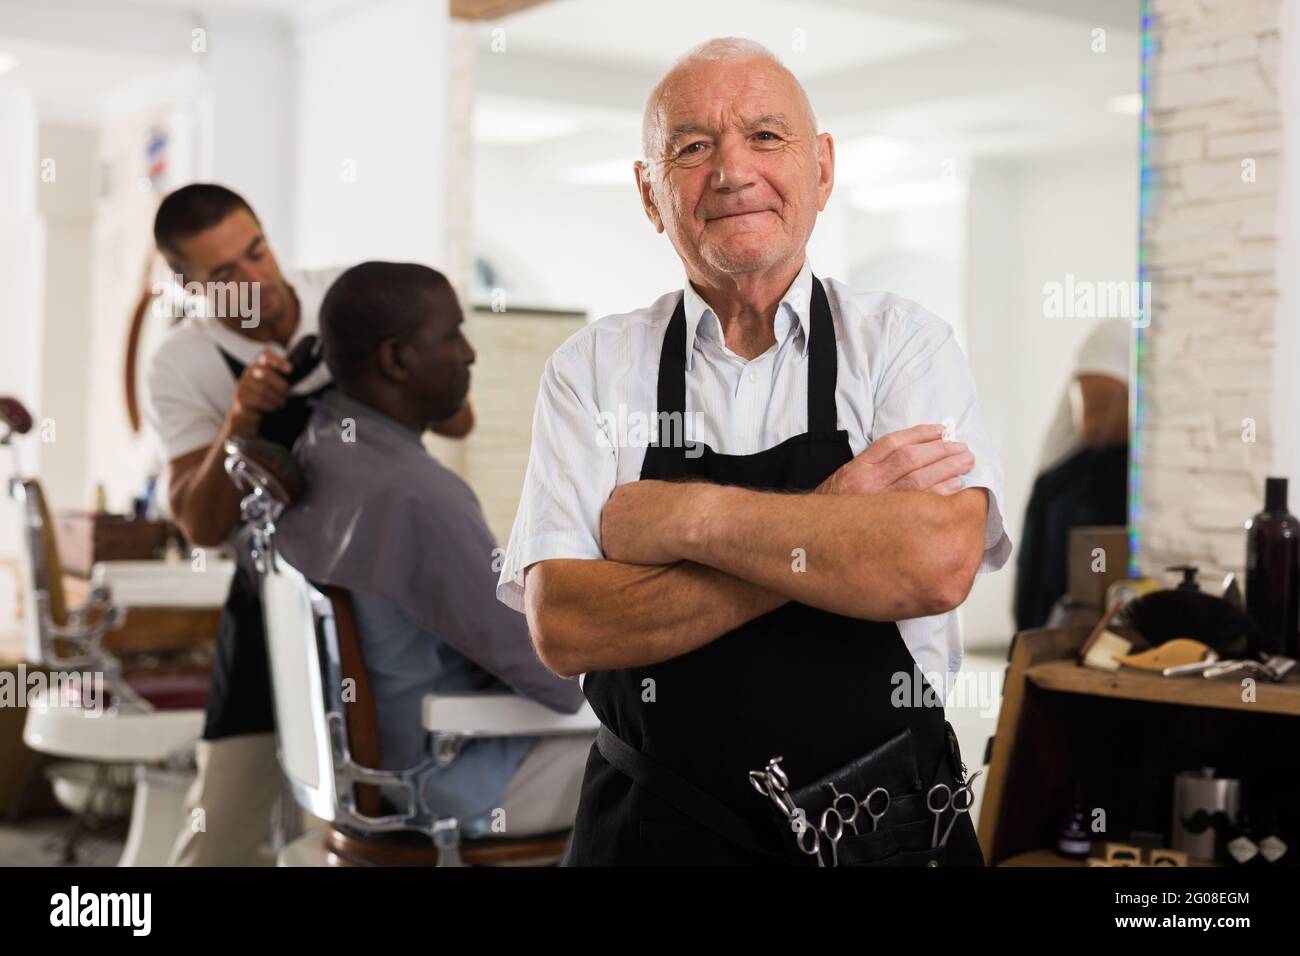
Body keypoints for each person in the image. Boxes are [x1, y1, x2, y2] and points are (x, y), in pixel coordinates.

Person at [496, 38, 1011, 866]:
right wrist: (835, 525)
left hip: (879, 826)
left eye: (767, 136)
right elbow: (564, 623)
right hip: (651, 828)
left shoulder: (905, 346)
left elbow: (931, 566)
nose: (732, 170)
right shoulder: (591, 370)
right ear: (649, 193)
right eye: (692, 145)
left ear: (823, 169)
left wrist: (679, 516)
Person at [143, 185, 472, 865]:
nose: (255, 278)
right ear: (186, 285)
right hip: (273, 612)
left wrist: (385, 368)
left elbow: (459, 419)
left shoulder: (346, 302)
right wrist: (240, 422)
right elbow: (200, 525)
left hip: (386, 608)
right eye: (225, 273)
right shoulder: (183, 363)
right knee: (220, 833)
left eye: (257, 251)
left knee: (365, 833)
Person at [275, 262, 589, 839]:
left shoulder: (321, 447)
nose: (470, 354)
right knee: (666, 761)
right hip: (443, 781)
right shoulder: (414, 493)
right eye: (451, 336)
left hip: (369, 776)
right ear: (396, 359)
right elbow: (556, 671)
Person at [1014, 319, 1130, 631]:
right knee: (1051, 630)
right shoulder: (1117, 334)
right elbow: (1097, 423)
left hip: (1117, 500)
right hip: (1068, 497)